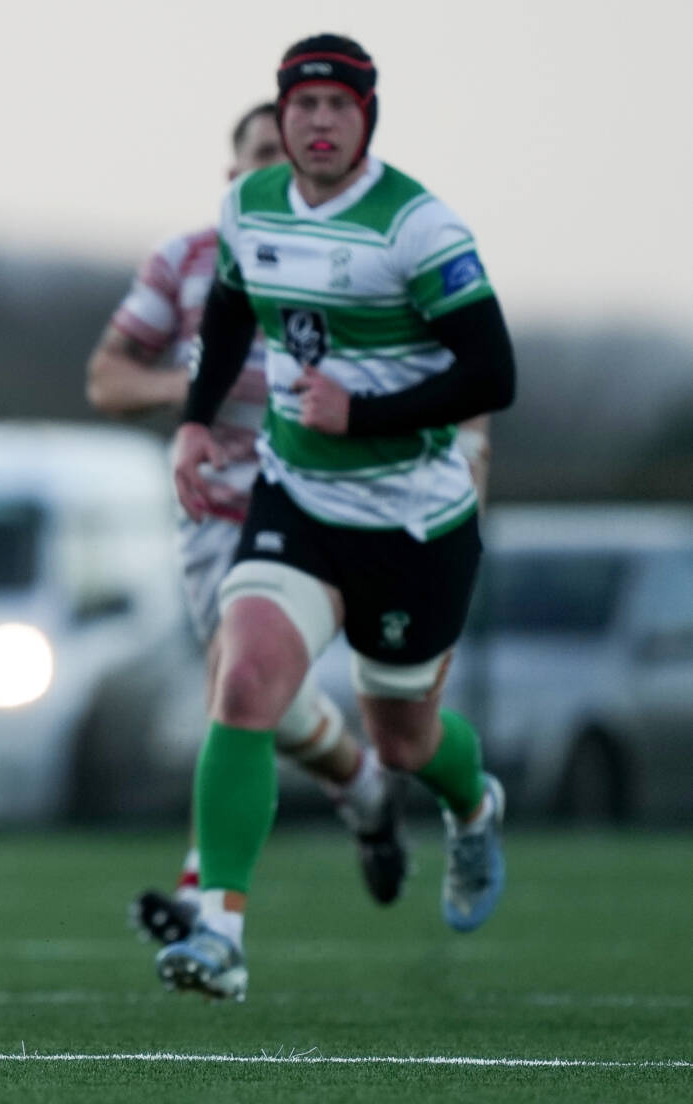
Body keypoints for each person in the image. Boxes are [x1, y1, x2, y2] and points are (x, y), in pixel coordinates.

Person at [157, 33, 515, 1002]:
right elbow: (230, 312)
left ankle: (472, 807)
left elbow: (492, 373)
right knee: (245, 683)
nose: (318, 122)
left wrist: (362, 414)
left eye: (337, 107)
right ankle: (218, 928)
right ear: (281, 117)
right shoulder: (249, 206)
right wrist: (194, 423)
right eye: (302, 105)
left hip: (412, 523)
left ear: (367, 119)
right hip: (297, 500)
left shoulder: (418, 228)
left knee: (402, 742)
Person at [88, 102, 410, 947]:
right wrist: (190, 389)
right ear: (233, 178)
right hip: (215, 517)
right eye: (262, 153)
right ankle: (364, 790)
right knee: (270, 706)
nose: (280, 166)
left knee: (236, 676)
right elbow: (108, 380)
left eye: (291, 153)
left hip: (325, 511)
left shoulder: (363, 262)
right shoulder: (188, 261)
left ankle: (206, 901)